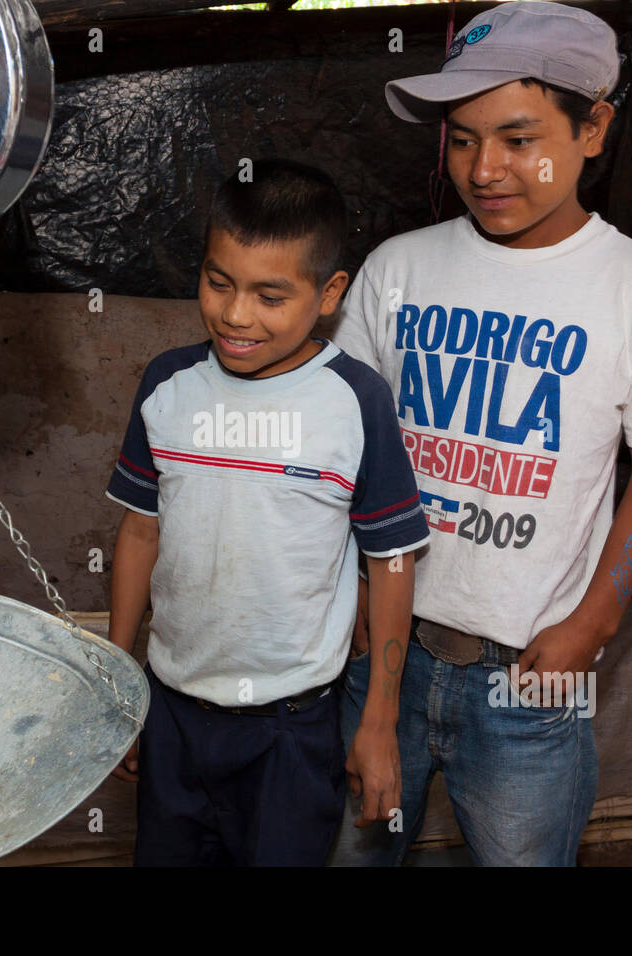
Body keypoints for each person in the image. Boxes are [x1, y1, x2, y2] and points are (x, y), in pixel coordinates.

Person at [328, 0, 632, 866]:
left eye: (516, 138)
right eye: (461, 140)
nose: (484, 168)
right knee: (352, 853)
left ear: (595, 128)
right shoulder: (399, 267)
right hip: (383, 647)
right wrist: (353, 581)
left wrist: (593, 623)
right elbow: (343, 442)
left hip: (530, 674)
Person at [104, 158, 431, 866]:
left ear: (329, 292)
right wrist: (121, 686)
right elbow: (139, 530)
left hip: (292, 728)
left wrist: (379, 717)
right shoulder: (168, 383)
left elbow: (392, 561)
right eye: (219, 282)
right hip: (172, 710)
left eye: (270, 295)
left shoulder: (355, 400)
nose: (235, 313)